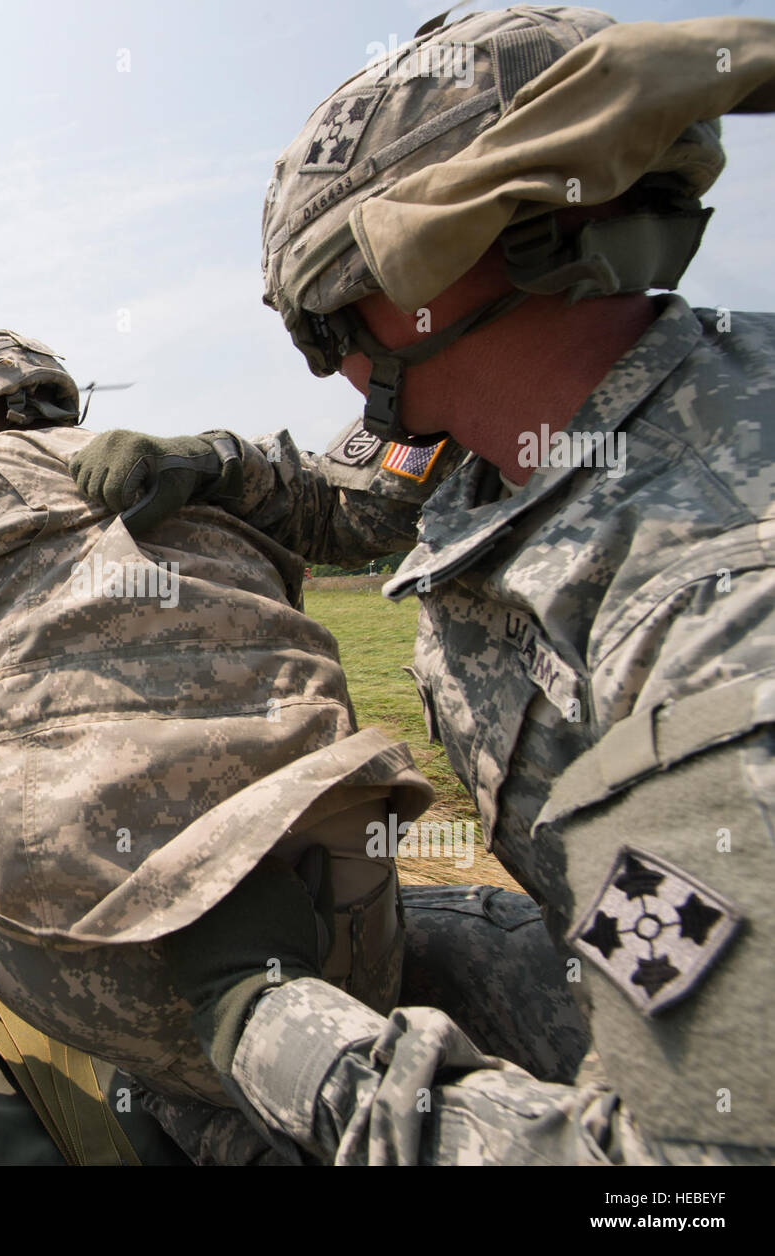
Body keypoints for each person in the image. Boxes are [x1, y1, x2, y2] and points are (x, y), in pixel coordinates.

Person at [71, 7, 775, 1164]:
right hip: (613, 943)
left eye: (324, 316)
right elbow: (351, 500)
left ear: (425, 270)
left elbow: (676, 1178)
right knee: (417, 933)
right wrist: (204, 461)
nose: (331, 352)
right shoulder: (520, 430)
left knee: (199, 1100)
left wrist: (271, 1023)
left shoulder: (713, 597)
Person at [0, 330, 435, 1161]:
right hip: (351, 924)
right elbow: (368, 502)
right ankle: (250, 1088)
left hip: (98, 970)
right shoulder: (185, 469)